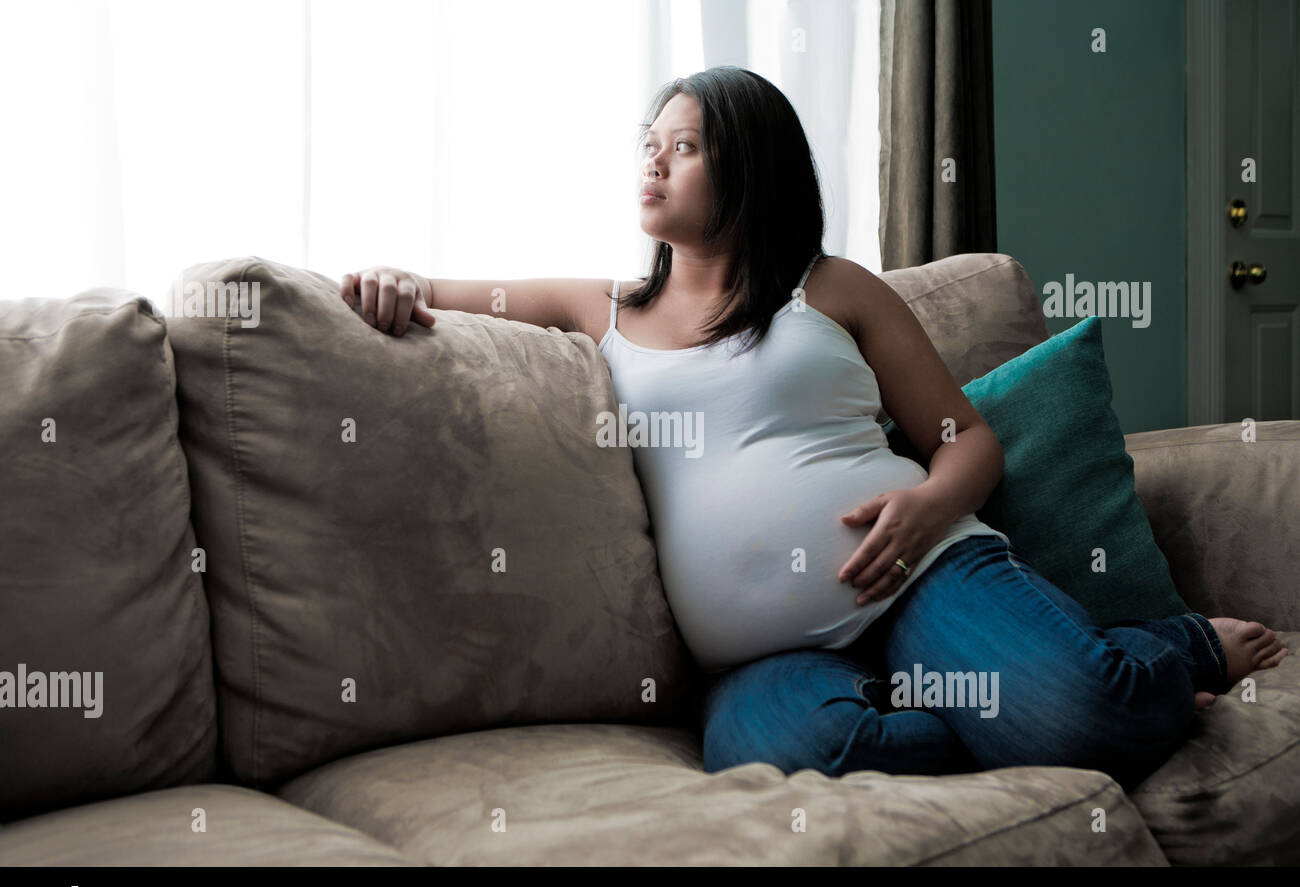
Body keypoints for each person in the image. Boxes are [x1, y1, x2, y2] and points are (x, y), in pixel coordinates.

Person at [338, 66, 1287, 790]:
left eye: (686, 146)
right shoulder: (608, 308)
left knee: (1082, 719)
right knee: (802, 753)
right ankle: (1051, 699)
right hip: (762, 657)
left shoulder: (829, 289)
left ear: (752, 169)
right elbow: (446, 292)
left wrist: (925, 507)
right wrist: (391, 282)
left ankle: (1171, 652)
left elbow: (967, 438)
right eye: (648, 144)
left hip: (919, 582)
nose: (653, 161)